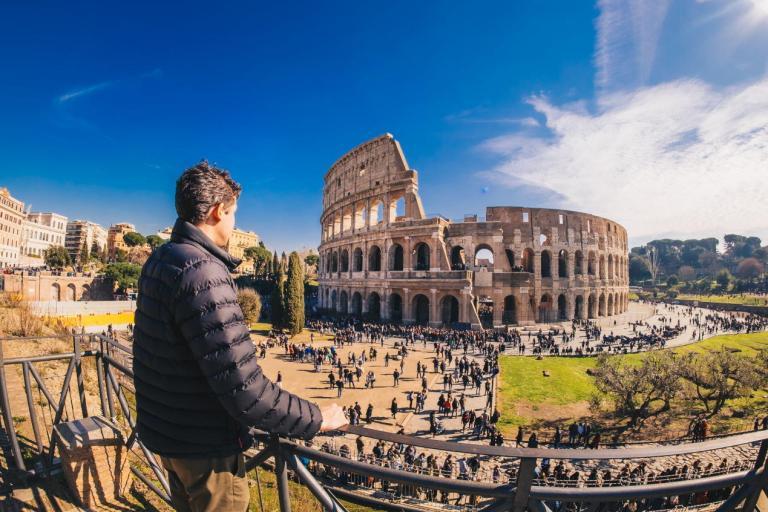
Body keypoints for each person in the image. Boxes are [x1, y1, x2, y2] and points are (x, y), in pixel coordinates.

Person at [133, 162, 347, 512]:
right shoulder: (204, 273)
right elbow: (246, 388)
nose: (233, 225)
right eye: (233, 214)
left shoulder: (160, 260)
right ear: (218, 211)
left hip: (167, 437)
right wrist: (316, 418)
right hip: (206, 452)